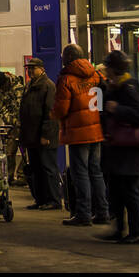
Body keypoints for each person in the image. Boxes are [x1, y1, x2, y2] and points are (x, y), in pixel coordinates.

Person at [52, 44, 110, 226]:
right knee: (96, 172)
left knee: (80, 174)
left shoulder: (66, 79)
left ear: (67, 58)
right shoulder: (95, 74)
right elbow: (100, 101)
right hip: (95, 130)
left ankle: (84, 213)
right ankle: (102, 211)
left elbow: (62, 109)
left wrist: (52, 115)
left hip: (78, 133)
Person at [98, 49, 139, 244]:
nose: (105, 71)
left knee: (129, 191)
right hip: (117, 147)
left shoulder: (129, 87)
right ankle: (118, 229)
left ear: (114, 69)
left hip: (129, 150)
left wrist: (116, 109)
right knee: (116, 191)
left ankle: (138, 231)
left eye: (107, 67)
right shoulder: (115, 86)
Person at [19, 58, 61, 210]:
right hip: (32, 136)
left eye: (33, 68)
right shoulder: (30, 85)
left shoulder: (48, 86)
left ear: (41, 69)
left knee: (48, 169)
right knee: (37, 169)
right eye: (29, 69)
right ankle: (41, 199)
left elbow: (50, 113)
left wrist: (46, 135)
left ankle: (54, 200)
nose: (30, 71)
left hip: (44, 137)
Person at [0, 68, 24, 184]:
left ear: (7, 82)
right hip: (12, 124)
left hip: (24, 123)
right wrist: (12, 121)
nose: (2, 90)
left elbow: (21, 107)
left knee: (26, 152)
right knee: (10, 151)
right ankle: (9, 177)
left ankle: (21, 176)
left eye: (3, 87)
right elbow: (1, 108)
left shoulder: (18, 86)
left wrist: (19, 122)